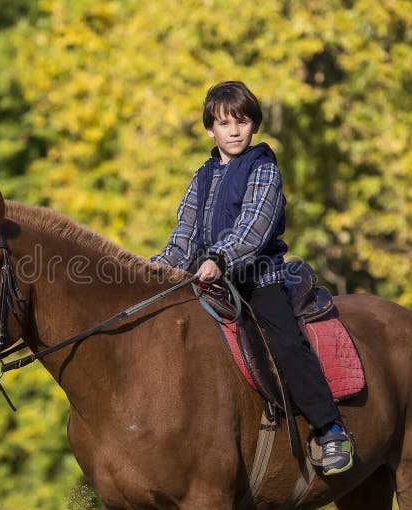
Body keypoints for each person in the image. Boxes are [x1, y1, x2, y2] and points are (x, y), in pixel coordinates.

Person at [151, 81, 353, 475]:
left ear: (253, 125)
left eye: (242, 122)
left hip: (259, 279)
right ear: (210, 129)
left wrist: (219, 258)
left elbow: (253, 227)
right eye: (225, 123)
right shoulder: (201, 177)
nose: (234, 131)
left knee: (285, 343)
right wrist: (152, 270)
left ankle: (330, 429)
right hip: (210, 283)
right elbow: (183, 236)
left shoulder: (263, 167)